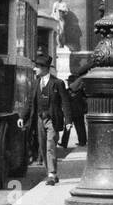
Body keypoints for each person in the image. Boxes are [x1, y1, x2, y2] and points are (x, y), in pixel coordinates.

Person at [30, 52, 71, 186]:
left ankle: (52, 175)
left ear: (44, 68)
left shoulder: (57, 83)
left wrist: (68, 121)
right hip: (39, 119)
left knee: (50, 146)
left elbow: (65, 102)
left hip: (52, 120)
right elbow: (31, 102)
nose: (34, 69)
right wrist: (22, 117)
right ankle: (51, 172)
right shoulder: (36, 83)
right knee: (42, 147)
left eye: (37, 67)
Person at [59, 68, 88, 149]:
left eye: (69, 81)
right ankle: (82, 141)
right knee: (80, 127)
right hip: (78, 112)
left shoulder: (67, 91)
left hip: (71, 112)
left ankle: (64, 143)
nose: (67, 82)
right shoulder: (81, 91)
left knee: (68, 128)